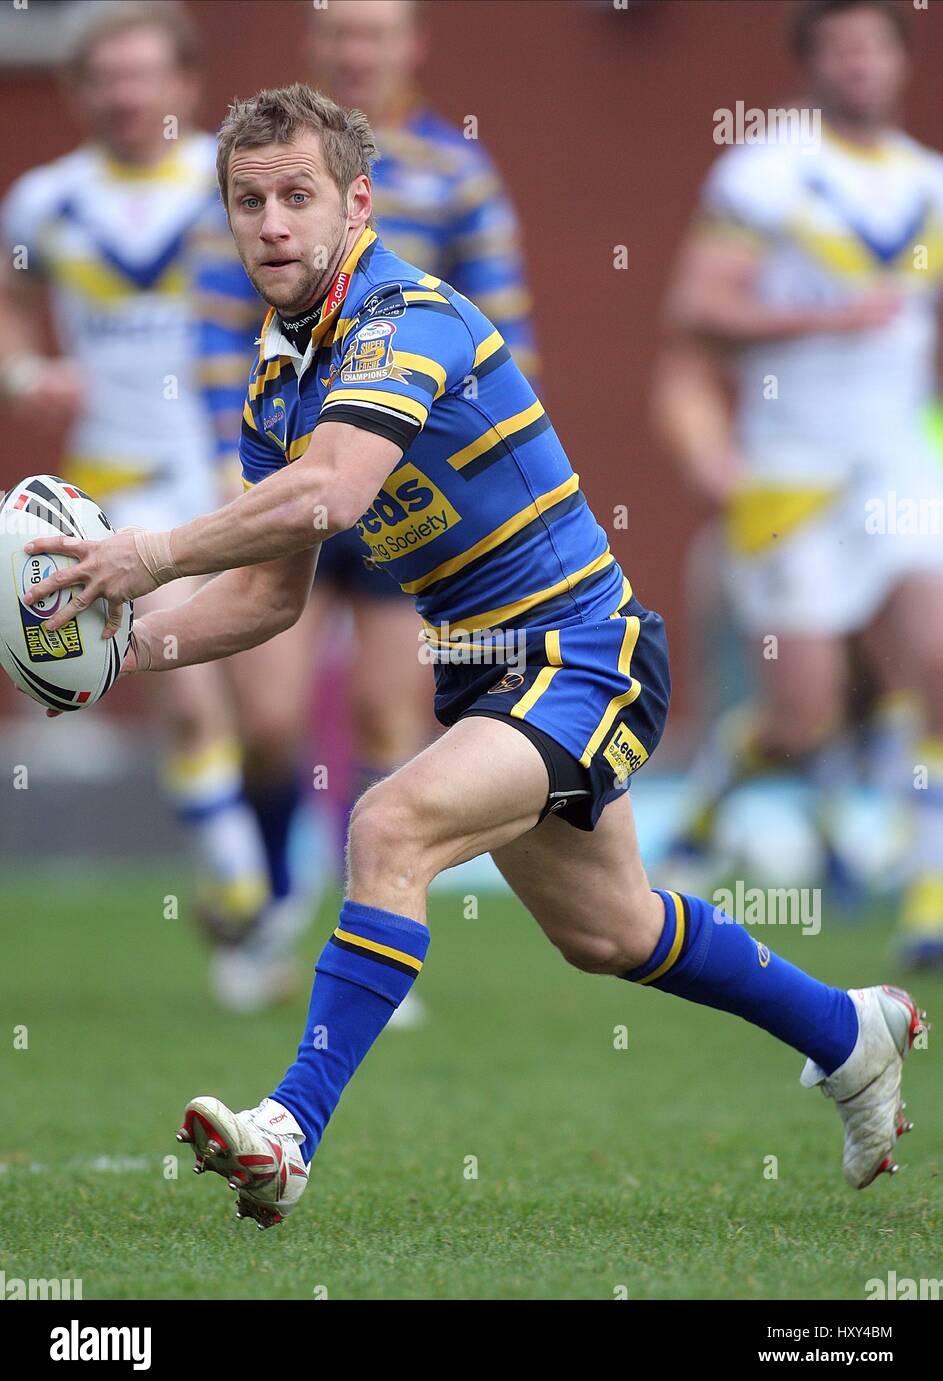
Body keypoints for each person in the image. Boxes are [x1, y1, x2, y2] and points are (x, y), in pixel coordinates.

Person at [25, 85, 925, 1229]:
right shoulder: (276, 383)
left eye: (298, 196)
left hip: (580, 654)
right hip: (492, 673)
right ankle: (850, 1031)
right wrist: (116, 656)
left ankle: (288, 1130)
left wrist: (143, 554)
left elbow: (331, 492)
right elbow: (263, 595)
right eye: (248, 201)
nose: (273, 224)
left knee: (386, 826)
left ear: (357, 202)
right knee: (615, 930)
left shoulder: (407, 314)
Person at [196, 0, 540, 1014]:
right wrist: (234, 459)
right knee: (265, 718)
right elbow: (222, 325)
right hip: (285, 472)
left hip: (401, 496)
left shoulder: (456, 174)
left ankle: (370, 933)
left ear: (409, 47)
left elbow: (504, 326)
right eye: (339, 36)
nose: (355, 51)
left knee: (390, 710)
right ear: (319, 49)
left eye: (374, 36)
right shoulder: (261, 179)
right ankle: (265, 903)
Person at [655, 0, 943, 963]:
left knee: (935, 663)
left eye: (875, 47)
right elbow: (696, 306)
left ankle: (930, 897)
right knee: (803, 716)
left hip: (899, 467)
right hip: (790, 483)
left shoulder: (927, 184)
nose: (859, 65)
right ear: (811, 63)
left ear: (900, 62)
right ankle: (704, 805)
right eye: (840, 48)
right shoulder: (766, 172)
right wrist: (828, 321)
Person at [0, 1, 273, 968]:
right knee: (183, 680)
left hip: (231, 472)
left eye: (141, 74)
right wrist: (28, 373)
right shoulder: (43, 202)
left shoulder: (236, 185)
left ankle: (257, 886)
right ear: (78, 90)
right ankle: (240, 884)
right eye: (104, 76)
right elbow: (13, 312)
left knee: (277, 723)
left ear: (184, 83)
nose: (124, 94)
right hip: (116, 488)